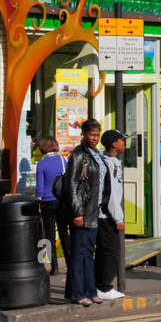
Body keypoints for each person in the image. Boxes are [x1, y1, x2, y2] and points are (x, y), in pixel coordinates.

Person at [62, 118, 110, 307]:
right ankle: (78, 292)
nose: (95, 138)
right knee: (79, 253)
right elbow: (72, 184)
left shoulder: (95, 153)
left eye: (97, 135)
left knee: (89, 253)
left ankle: (90, 291)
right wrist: (77, 212)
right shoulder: (78, 155)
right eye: (91, 135)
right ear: (83, 134)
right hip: (83, 211)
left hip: (95, 210)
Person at [95, 130, 127, 300]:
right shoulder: (110, 165)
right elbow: (112, 194)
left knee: (102, 251)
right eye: (122, 140)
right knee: (111, 251)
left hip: (100, 214)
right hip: (106, 215)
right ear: (114, 144)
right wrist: (118, 218)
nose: (124, 143)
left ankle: (98, 285)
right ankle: (104, 287)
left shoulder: (105, 160)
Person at [33, 136, 65, 276]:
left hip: (47, 202)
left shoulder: (42, 164)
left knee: (47, 234)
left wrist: (38, 201)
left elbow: (40, 188)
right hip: (62, 201)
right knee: (64, 233)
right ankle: (70, 263)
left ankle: (53, 266)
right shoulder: (64, 160)